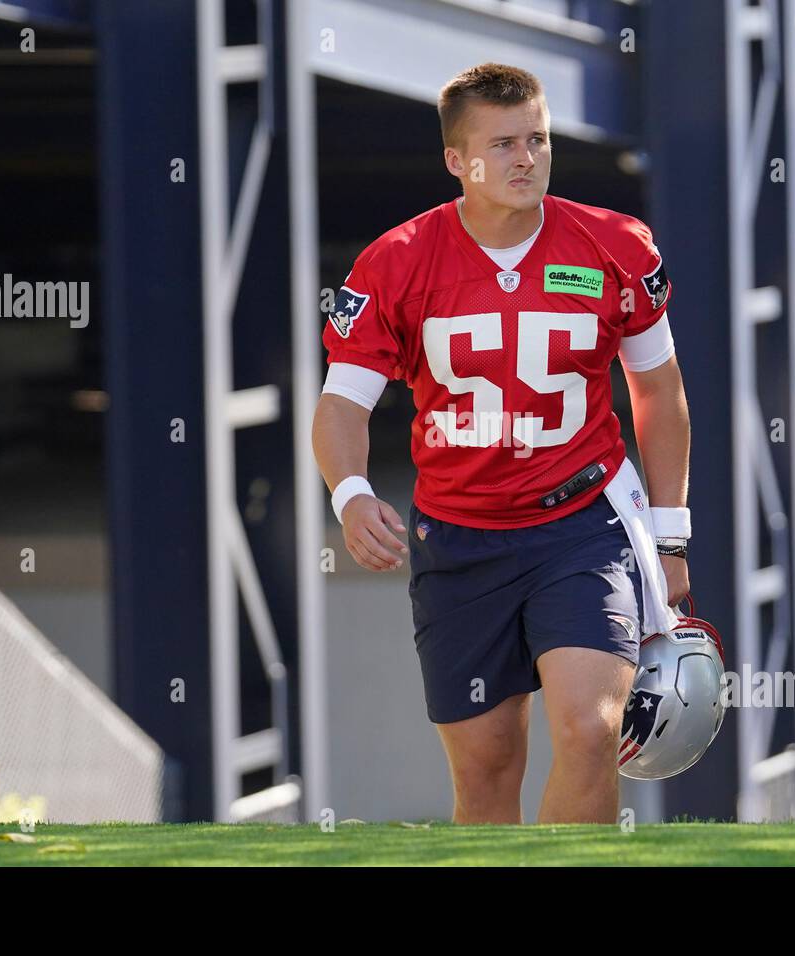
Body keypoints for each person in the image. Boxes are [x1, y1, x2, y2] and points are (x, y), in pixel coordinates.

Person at [311, 63, 692, 825]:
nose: (528, 159)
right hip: (460, 537)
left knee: (591, 729)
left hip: (583, 523)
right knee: (486, 770)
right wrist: (349, 494)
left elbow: (658, 391)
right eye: (506, 144)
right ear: (458, 159)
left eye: (540, 139)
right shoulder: (398, 260)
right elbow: (340, 407)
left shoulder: (614, 245)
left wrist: (671, 532)